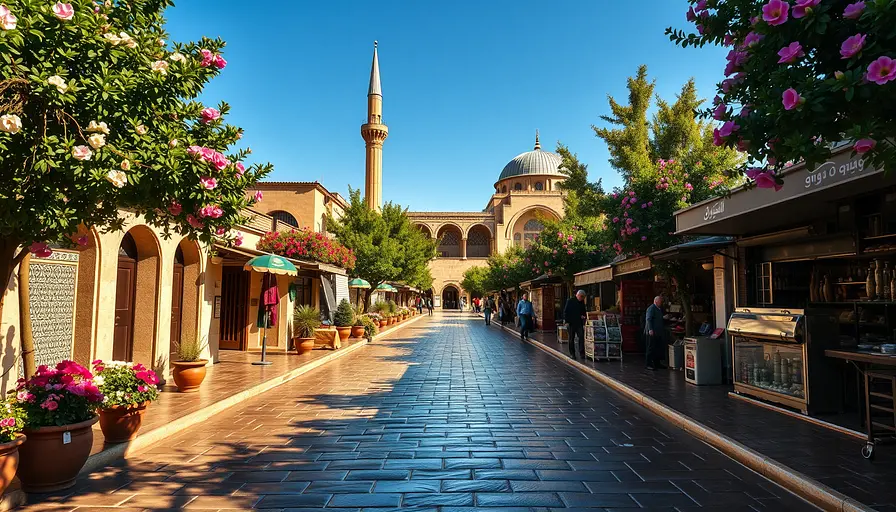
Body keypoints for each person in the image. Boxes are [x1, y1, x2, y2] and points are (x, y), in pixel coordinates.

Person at [563, 290, 588, 360]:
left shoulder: (582, 302)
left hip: (579, 323)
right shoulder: (570, 301)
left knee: (581, 337)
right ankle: (572, 353)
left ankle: (581, 353)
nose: (582, 299)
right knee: (571, 338)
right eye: (582, 297)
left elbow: (583, 311)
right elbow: (566, 312)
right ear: (578, 295)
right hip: (571, 323)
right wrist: (567, 321)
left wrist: (583, 316)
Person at [644, 295, 666, 370]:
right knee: (651, 348)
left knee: (657, 348)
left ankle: (657, 363)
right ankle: (648, 364)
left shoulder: (659, 309)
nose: (661, 303)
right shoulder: (651, 308)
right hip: (652, 332)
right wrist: (650, 329)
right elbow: (648, 319)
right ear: (656, 301)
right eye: (660, 301)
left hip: (658, 332)